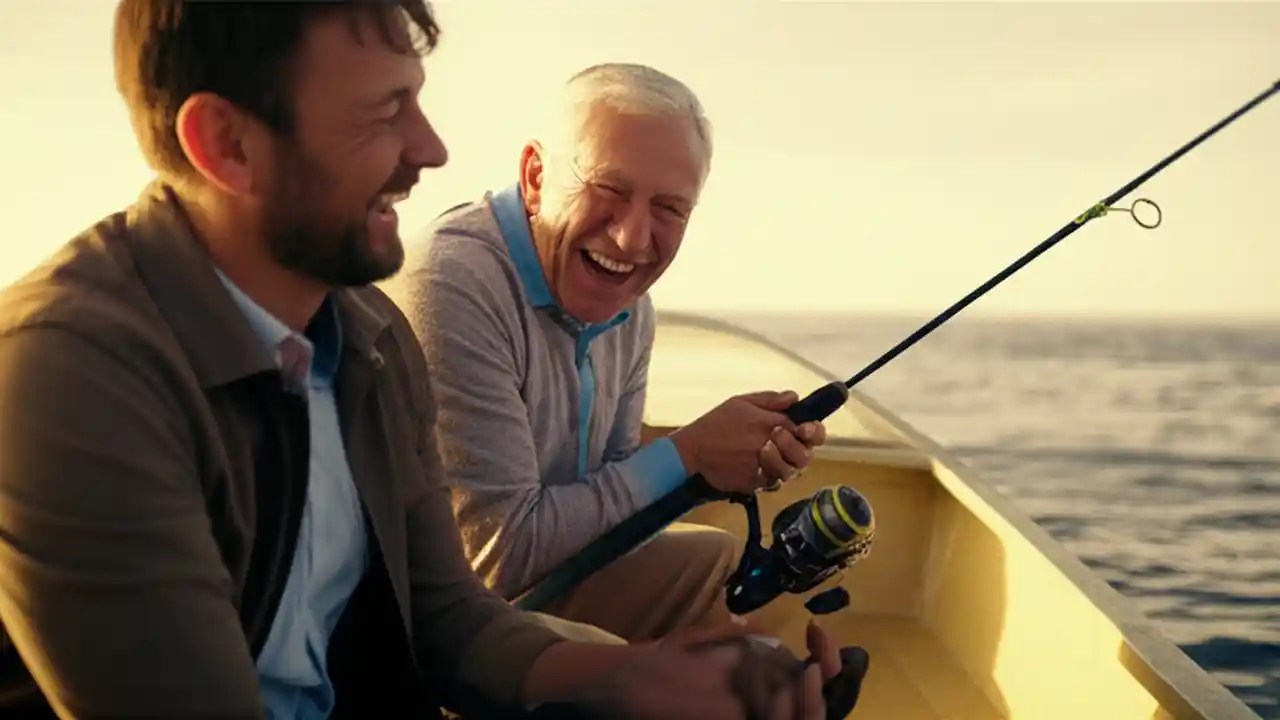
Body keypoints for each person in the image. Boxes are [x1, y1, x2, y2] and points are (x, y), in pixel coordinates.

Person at [0, 2, 842, 718]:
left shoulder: (367, 338)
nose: (430, 150)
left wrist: (636, 679)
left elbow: (446, 617)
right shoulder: (65, 379)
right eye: (382, 113)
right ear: (229, 146)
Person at [388, 62, 828, 642]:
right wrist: (689, 456)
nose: (630, 238)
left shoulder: (629, 306)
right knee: (704, 660)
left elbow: (610, 509)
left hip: (536, 586)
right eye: (609, 190)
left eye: (669, 208)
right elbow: (497, 560)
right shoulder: (453, 284)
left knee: (729, 572)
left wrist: (723, 467)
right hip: (426, 630)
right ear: (535, 175)